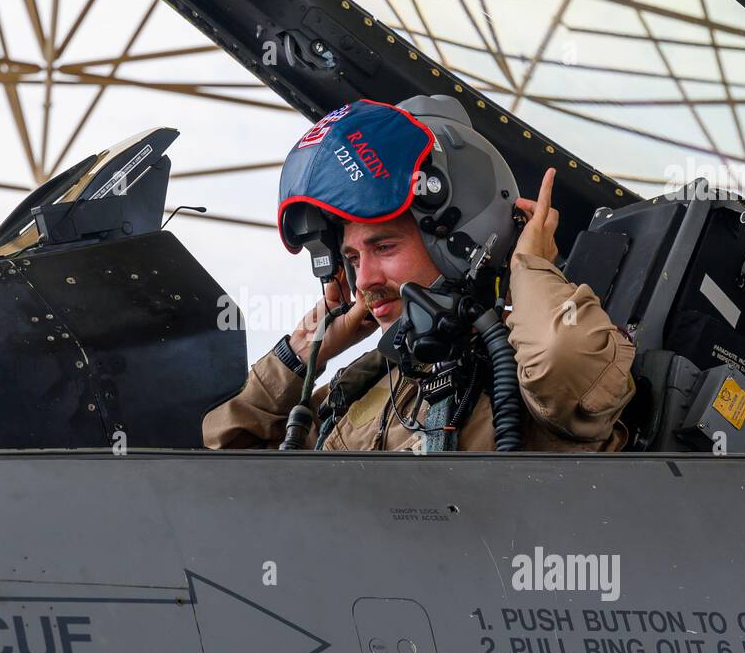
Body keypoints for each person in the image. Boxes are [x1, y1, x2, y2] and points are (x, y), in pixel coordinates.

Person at [202, 96, 636, 452]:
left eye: (384, 248)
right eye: (353, 259)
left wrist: (529, 265)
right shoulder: (365, 388)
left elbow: (564, 357)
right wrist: (302, 352)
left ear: (468, 240)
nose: (364, 280)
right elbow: (224, 468)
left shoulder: (532, 374)